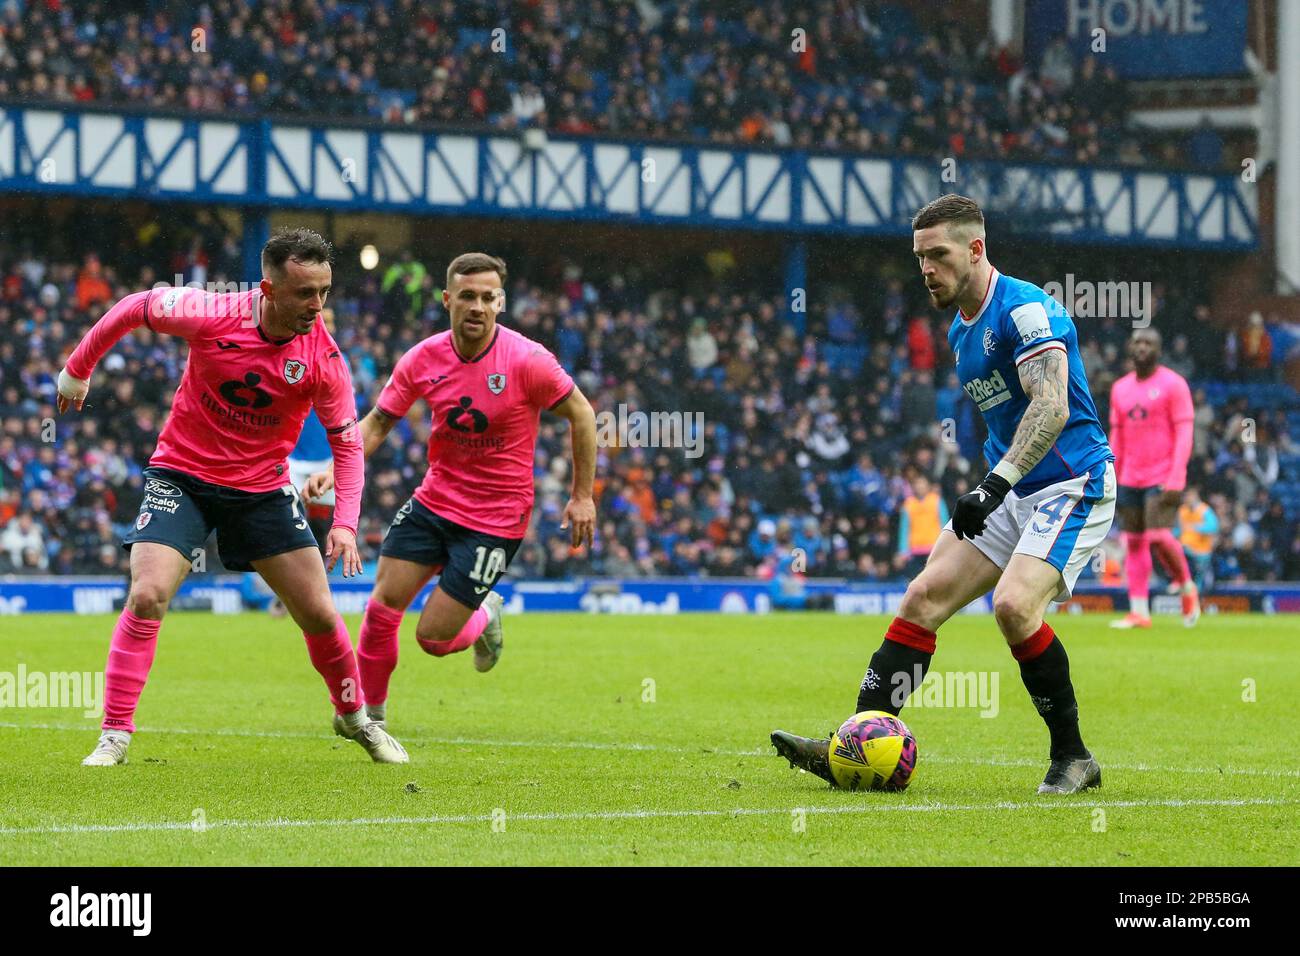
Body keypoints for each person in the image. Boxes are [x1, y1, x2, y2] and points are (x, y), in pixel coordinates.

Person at [773, 194, 1115, 794]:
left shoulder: (1028, 311)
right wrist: (997, 486)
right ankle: (850, 743)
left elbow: (1052, 406)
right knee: (922, 598)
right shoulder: (960, 329)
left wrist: (993, 485)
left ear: (976, 248)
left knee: (1013, 607)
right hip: (1011, 488)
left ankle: (1074, 757)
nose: (926, 268)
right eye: (918, 257)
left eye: (937, 254)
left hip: (1073, 481)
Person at [57, 228, 407, 766]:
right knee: (148, 593)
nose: (316, 305)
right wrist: (78, 369)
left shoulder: (326, 360)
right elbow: (133, 306)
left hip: (261, 490)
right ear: (268, 288)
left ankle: (355, 717)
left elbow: (349, 444)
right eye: (304, 293)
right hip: (182, 476)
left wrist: (345, 522)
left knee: (317, 611)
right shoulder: (208, 312)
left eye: (324, 292)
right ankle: (115, 734)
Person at [305, 253, 597, 731]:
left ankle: (485, 615)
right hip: (435, 501)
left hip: (496, 519)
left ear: (500, 302)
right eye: (467, 296)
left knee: (434, 639)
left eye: (488, 297)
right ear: (447, 300)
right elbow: (379, 421)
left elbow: (582, 414)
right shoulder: (423, 357)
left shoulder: (527, 360)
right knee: (382, 607)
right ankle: (367, 718)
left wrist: (582, 495)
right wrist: (339, 470)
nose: (477, 306)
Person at [1108, 328, 1200, 628]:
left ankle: (1187, 587)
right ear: (1129, 348)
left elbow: (1185, 433)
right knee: (1133, 541)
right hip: (1129, 477)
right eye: (1137, 342)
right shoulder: (1120, 388)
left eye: (1148, 342)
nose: (1142, 347)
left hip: (1162, 475)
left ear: (1159, 350)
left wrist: (1177, 475)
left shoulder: (1174, 385)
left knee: (1159, 537)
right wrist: (1112, 474)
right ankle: (1139, 612)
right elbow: (1117, 436)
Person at [1176, 487, 1218, 593]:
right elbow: (1176, 529)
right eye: (1185, 496)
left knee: (1198, 579)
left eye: (1189, 495)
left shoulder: (1204, 510)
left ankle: (1197, 596)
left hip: (1201, 552)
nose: (1187, 498)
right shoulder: (1182, 510)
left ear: (1195, 496)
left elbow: (1213, 526)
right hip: (1185, 550)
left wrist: (1196, 527)